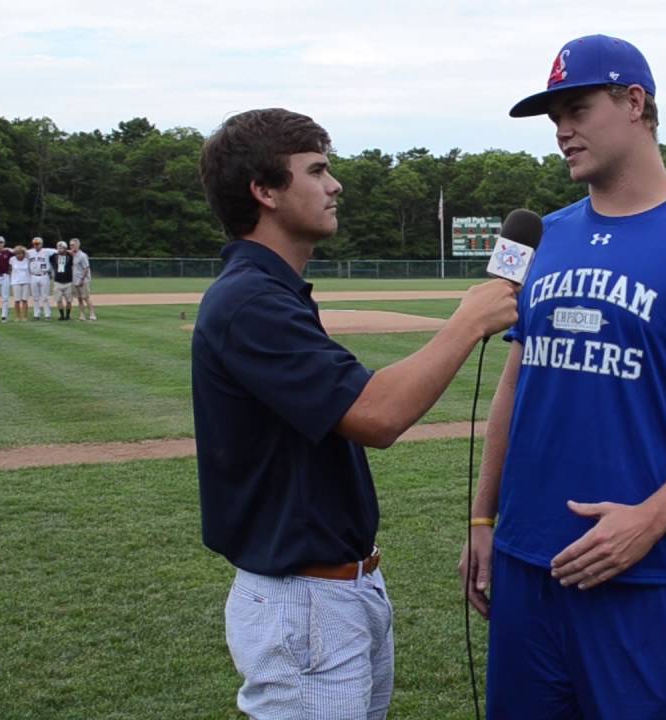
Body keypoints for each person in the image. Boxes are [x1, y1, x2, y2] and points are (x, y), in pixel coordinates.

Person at [459, 35, 666, 719]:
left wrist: (650, 520)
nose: (562, 131)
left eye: (577, 109)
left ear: (635, 102)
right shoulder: (541, 238)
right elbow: (514, 383)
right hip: (526, 563)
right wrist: (482, 517)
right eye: (554, 117)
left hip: (641, 571)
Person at [191, 107, 517, 720]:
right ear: (264, 192)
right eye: (316, 170)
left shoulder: (273, 292)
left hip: (338, 590)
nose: (335, 184)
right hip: (303, 601)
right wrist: (468, 321)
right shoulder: (249, 303)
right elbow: (378, 415)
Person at [28, 236, 56, 320]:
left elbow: (60, 250)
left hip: (44, 275)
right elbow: (17, 251)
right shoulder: (29, 252)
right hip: (33, 276)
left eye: (38, 244)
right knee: (35, 297)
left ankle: (47, 314)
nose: (36, 245)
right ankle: (36, 314)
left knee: (45, 297)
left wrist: (70, 251)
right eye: (35, 244)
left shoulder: (47, 251)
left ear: (41, 244)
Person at [69, 238, 97, 321]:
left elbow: (86, 268)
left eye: (73, 245)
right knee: (79, 298)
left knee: (86, 297)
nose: (71, 246)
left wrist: (81, 279)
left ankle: (92, 314)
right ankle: (82, 314)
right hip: (75, 280)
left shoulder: (82, 255)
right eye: (70, 245)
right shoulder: (73, 255)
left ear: (78, 245)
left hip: (83, 280)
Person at [51, 240, 75, 321]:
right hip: (58, 281)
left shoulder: (70, 256)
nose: (60, 249)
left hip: (68, 281)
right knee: (58, 300)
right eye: (59, 247)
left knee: (69, 301)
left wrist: (68, 251)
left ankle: (68, 315)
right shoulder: (54, 256)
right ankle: (62, 316)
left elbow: (74, 254)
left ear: (65, 248)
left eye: (62, 248)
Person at [10, 245, 32, 322]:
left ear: (23, 253)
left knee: (24, 300)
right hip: (15, 282)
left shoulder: (27, 259)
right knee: (17, 300)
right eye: (17, 253)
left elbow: (29, 253)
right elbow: (8, 250)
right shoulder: (12, 259)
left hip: (26, 281)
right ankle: (17, 316)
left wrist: (24, 250)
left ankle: (25, 316)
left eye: (21, 253)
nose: (19, 255)